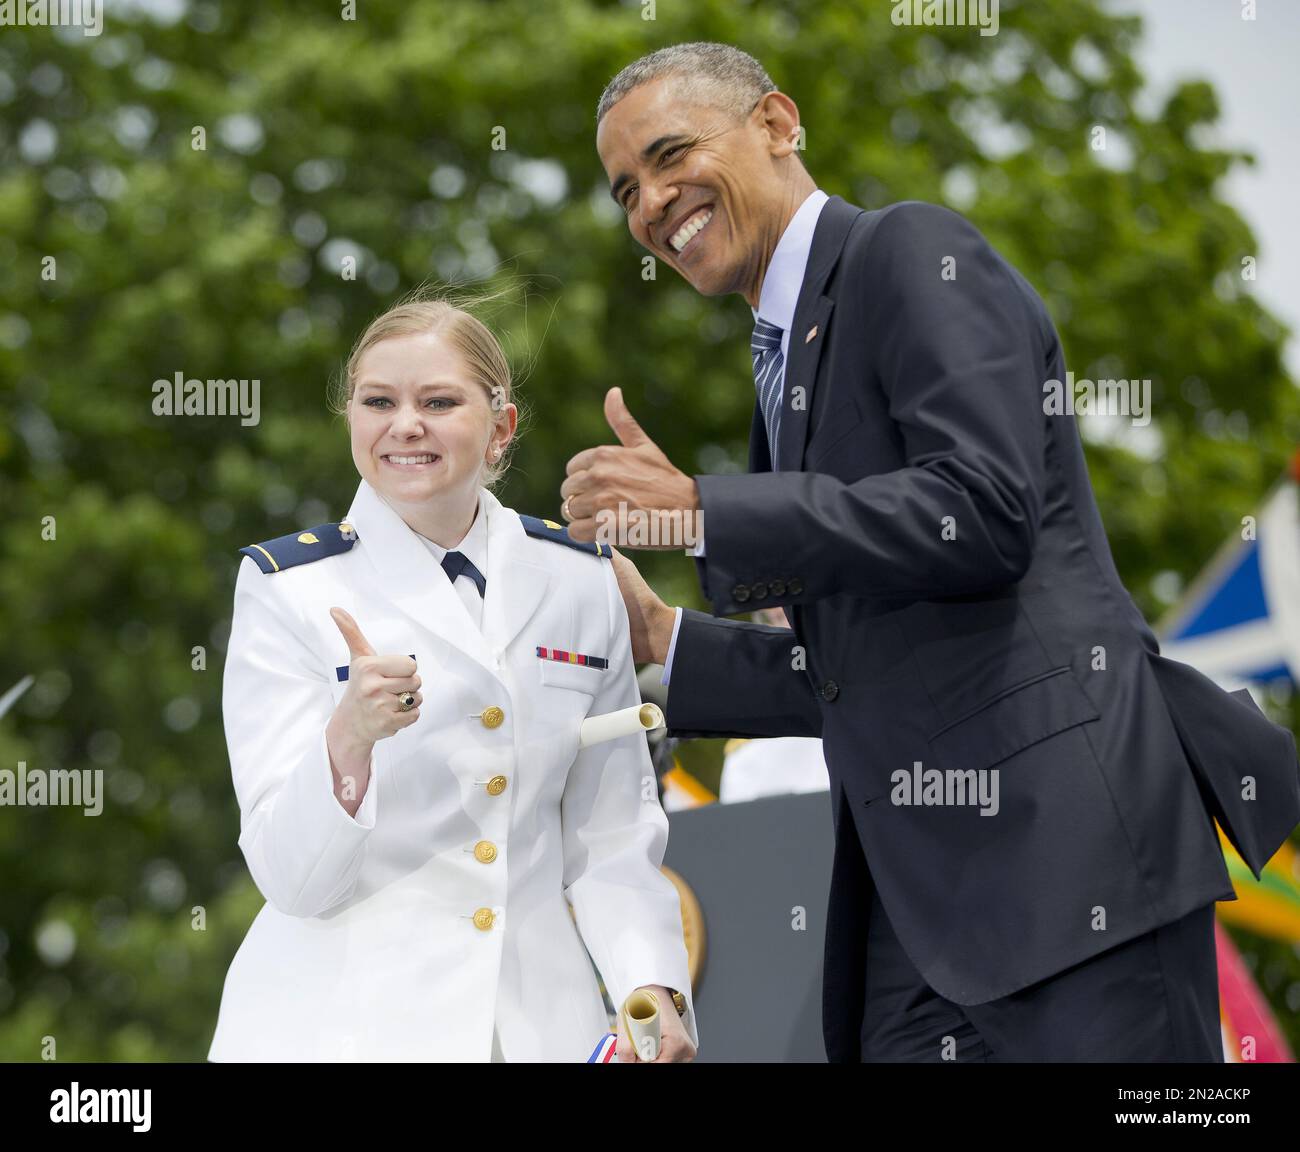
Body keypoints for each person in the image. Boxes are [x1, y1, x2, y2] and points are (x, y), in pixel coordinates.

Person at [559, 42, 1300, 1061]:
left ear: (778, 124)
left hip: (1063, 866)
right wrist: (665, 644)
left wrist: (701, 510)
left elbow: (983, 511)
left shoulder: (907, 252)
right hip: (921, 922)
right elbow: (858, 679)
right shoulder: (780, 368)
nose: (649, 202)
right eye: (624, 191)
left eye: (670, 153)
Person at [208, 291, 697, 1062]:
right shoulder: (286, 586)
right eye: (378, 401)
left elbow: (611, 832)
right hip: (342, 1028)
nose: (406, 425)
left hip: (537, 1031)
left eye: (438, 401)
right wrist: (348, 741)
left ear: (500, 429)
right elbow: (289, 879)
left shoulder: (579, 579)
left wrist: (651, 985)